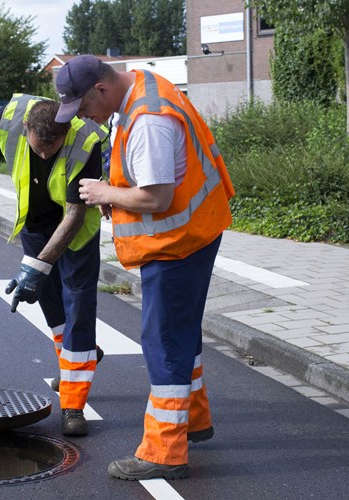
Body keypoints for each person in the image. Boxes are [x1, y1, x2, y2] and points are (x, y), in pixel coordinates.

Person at [55, 55, 235, 480]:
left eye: (82, 108)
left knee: (164, 342)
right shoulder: (142, 86)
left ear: (101, 89)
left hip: (177, 244)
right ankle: (194, 421)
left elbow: (156, 198)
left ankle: (164, 453)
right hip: (195, 231)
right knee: (181, 333)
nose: (83, 118)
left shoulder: (149, 121)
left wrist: (105, 193)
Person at [0, 95, 108, 437]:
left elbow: (74, 214)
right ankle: (80, 358)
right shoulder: (8, 120)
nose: (44, 155)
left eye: (51, 149)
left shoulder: (86, 140)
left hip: (76, 231)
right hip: (36, 224)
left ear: (66, 133)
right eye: (38, 149)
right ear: (25, 128)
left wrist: (38, 266)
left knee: (78, 306)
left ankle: (73, 405)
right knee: (49, 302)